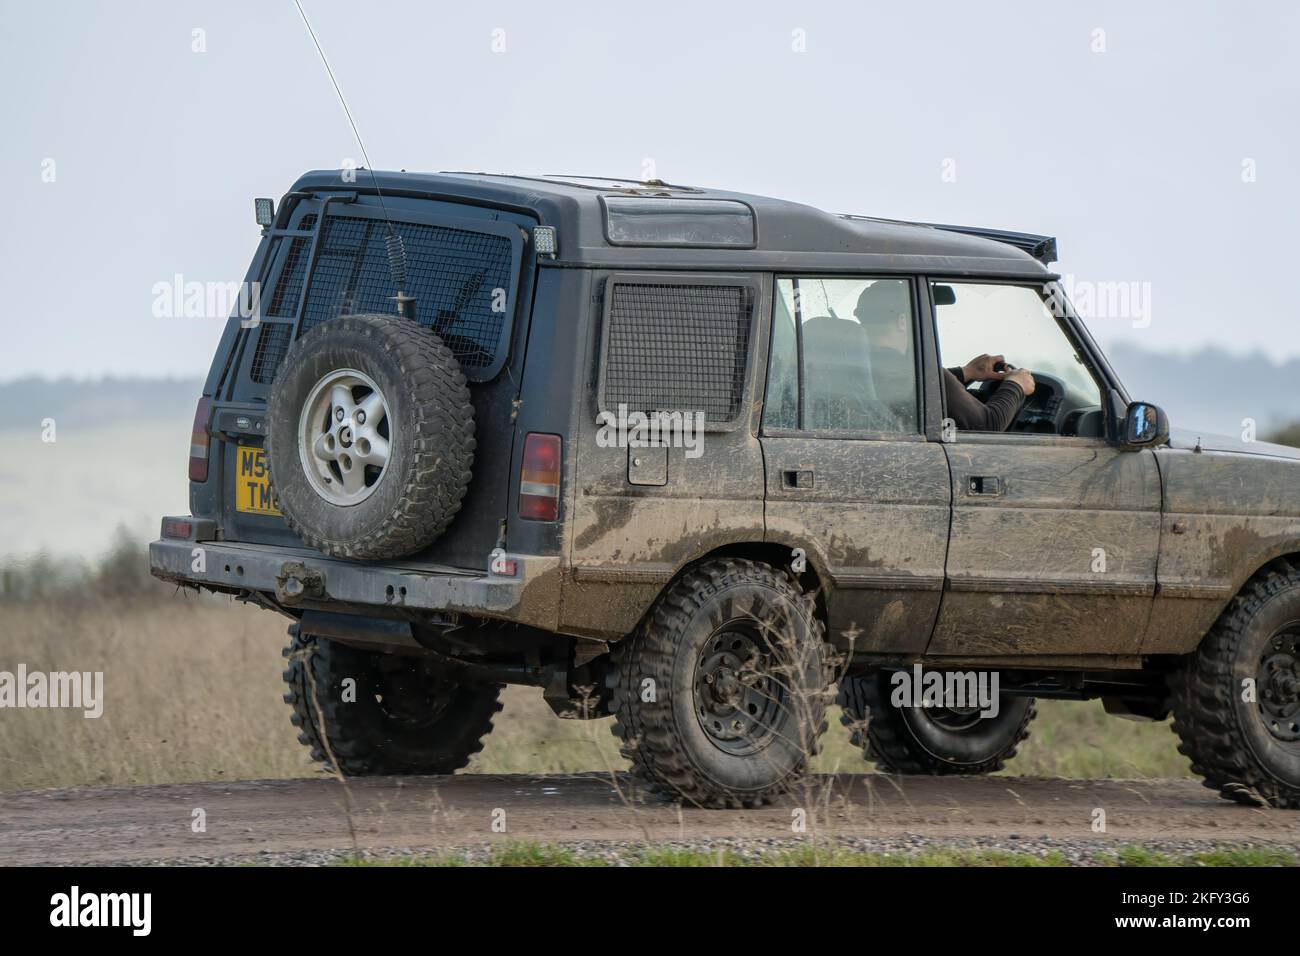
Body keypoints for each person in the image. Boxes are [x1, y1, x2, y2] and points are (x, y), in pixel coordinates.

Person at [854, 282, 1035, 433]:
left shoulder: (856, 367)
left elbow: (920, 389)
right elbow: (988, 425)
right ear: (902, 321)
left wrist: (967, 372)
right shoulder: (920, 372)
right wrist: (1016, 384)